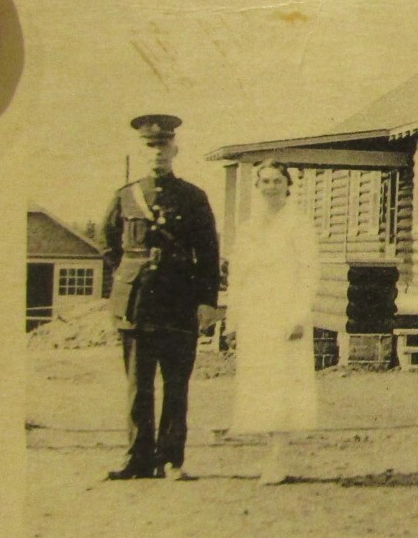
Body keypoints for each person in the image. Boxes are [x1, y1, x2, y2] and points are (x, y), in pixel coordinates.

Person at [103, 114, 221, 481]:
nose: (157, 152)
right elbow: (109, 245)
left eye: (163, 146)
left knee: (175, 384)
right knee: (138, 385)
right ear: (140, 152)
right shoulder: (125, 196)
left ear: (175, 150)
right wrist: (129, 275)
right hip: (137, 303)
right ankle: (138, 459)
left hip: (179, 301)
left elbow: (209, 252)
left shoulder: (193, 197)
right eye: (150, 146)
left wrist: (207, 301)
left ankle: (171, 460)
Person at [227, 159, 320, 485]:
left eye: (277, 181)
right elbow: (237, 275)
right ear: (257, 186)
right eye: (265, 182)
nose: (271, 187)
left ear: (287, 186)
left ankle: (278, 459)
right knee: (260, 385)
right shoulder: (248, 227)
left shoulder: (299, 224)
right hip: (255, 313)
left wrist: (298, 315)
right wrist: (233, 319)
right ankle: (269, 456)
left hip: (284, 311)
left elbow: (309, 272)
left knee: (283, 385)